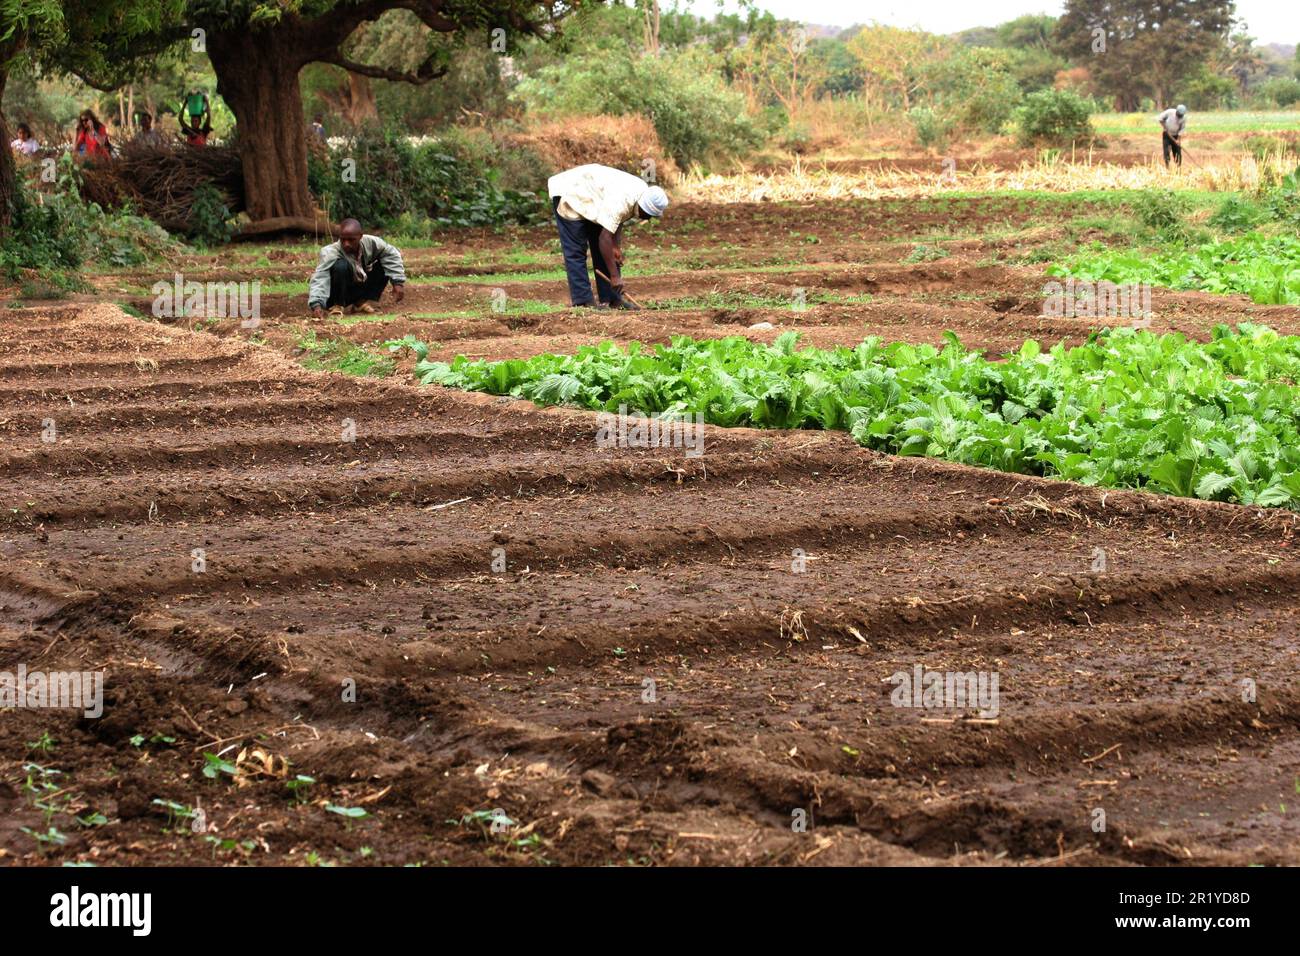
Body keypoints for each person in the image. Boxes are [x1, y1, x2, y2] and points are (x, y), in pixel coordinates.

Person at [547, 163, 669, 310]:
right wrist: (615, 277)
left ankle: (612, 299)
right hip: (573, 193)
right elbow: (605, 237)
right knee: (576, 251)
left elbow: (619, 218)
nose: (648, 218)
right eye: (648, 215)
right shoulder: (623, 200)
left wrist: (615, 246)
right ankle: (583, 302)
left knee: (609, 251)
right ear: (643, 206)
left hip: (594, 198)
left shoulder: (640, 193)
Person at [307, 219, 406, 317]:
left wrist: (397, 282)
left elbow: (391, 254)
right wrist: (316, 305)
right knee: (340, 266)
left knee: (384, 263)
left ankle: (362, 302)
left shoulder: (371, 242)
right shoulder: (330, 252)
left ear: (360, 237)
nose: (346, 244)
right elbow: (320, 276)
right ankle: (337, 305)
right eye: (343, 239)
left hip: (356, 287)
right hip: (336, 294)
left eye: (351, 240)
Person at [1157, 104, 1187, 168]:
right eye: (1179, 115)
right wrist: (1164, 127)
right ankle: (1167, 166)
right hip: (1167, 135)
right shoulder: (1170, 112)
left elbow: (1182, 129)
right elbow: (1160, 119)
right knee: (1166, 151)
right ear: (1177, 112)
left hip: (1176, 136)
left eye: (1181, 115)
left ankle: (1178, 167)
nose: (1179, 116)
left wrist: (1178, 140)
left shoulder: (1183, 119)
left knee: (1177, 152)